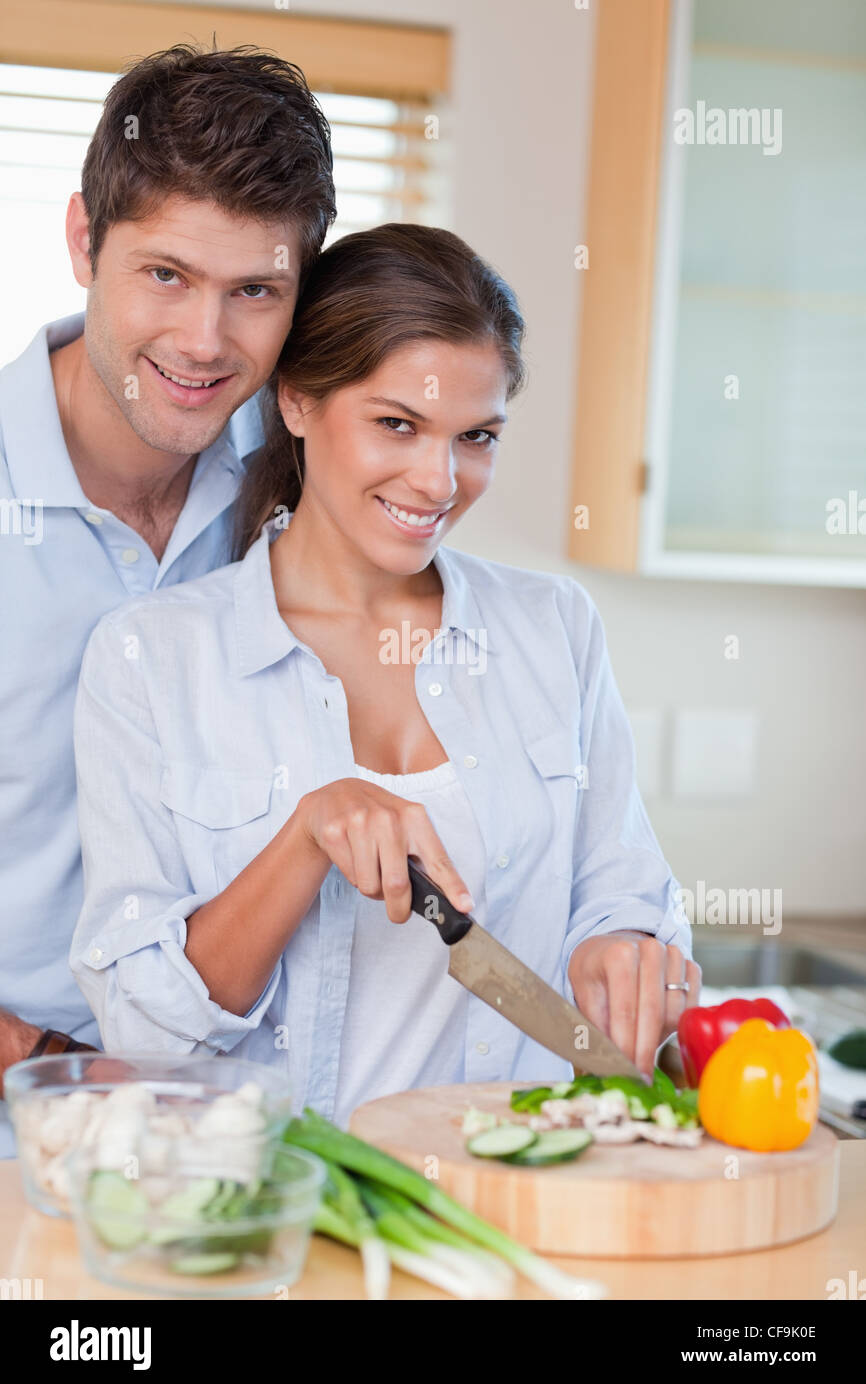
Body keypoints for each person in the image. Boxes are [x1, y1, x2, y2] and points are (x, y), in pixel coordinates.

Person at [70, 223, 699, 1126]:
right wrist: (307, 836)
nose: (438, 480)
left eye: (475, 436)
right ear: (296, 400)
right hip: (279, 1216)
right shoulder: (152, 658)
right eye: (396, 424)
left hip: (528, 1197)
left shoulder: (553, 628)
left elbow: (622, 885)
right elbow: (145, 1037)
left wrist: (626, 943)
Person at [0, 43, 336, 1150]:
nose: (204, 342)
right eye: (165, 275)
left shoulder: (309, 487)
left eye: (254, 292)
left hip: (229, 1126)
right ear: (83, 241)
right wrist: (40, 1062)